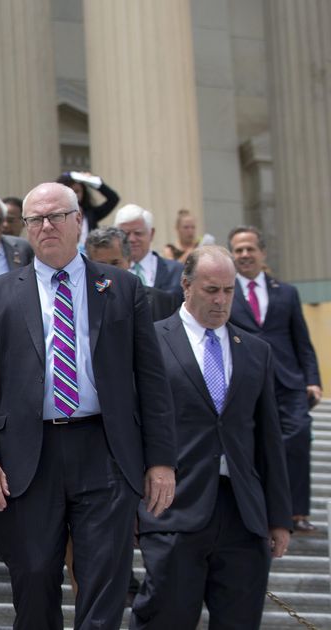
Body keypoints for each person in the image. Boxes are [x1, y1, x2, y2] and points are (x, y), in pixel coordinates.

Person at [0, 182, 176, 629]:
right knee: (34, 580)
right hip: (28, 457)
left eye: (56, 215)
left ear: (79, 221)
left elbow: (152, 381)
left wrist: (161, 461)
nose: (46, 226)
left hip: (105, 450)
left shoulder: (123, 287)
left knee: (104, 581)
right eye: (35, 219)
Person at [132, 245, 291, 629]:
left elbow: (269, 438)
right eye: (211, 290)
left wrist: (279, 517)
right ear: (186, 285)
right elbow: (133, 427)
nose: (221, 300)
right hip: (173, 509)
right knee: (165, 619)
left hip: (242, 515)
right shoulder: (149, 343)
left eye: (228, 290)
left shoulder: (255, 351)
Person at [228, 225, 322, 533]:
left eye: (250, 249)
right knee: (255, 445)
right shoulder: (225, 293)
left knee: (298, 437)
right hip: (247, 381)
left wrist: (313, 379)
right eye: (238, 250)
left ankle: (297, 513)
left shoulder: (287, 292)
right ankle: (262, 510)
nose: (244, 255)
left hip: (288, 382)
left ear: (262, 252)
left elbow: (302, 342)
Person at [85, 226, 179, 322]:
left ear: (129, 261)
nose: (109, 271)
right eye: (101, 265)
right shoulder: (81, 303)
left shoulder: (161, 302)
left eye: (115, 263)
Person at [114, 204, 184, 296]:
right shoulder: (111, 272)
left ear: (151, 233)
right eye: (125, 234)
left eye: (138, 233)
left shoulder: (176, 271)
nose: (131, 239)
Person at [55, 171, 120, 242]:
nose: (74, 195)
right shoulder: (54, 215)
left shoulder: (91, 214)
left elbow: (113, 199)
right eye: (71, 191)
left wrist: (92, 182)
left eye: (77, 191)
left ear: (83, 193)